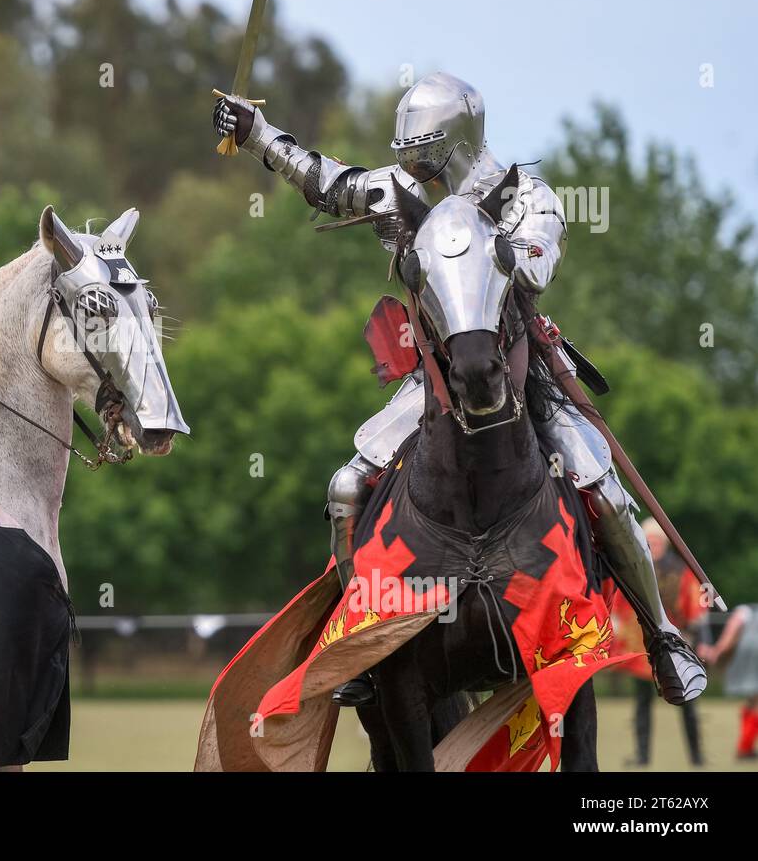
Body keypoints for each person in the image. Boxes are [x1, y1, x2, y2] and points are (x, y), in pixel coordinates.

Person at [213, 73, 706, 705]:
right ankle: (359, 645)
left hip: (517, 373)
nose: (414, 169)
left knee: (603, 491)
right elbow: (330, 184)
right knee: (345, 486)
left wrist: (471, 236)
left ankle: (662, 636)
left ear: (460, 143)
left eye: (426, 155)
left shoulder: (528, 196)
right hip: (433, 380)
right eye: (409, 156)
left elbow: (535, 263)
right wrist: (257, 134)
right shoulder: (400, 191)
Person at [611, 519, 707, 766]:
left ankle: (697, 757)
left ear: (664, 543)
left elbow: (695, 607)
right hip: (642, 649)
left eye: (655, 541)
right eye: (648, 540)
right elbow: (619, 605)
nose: (652, 545)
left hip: (675, 646)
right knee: (642, 705)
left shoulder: (681, 570)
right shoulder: (635, 569)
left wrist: (696, 637)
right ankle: (642, 758)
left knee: (687, 702)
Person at [699, 604, 758, 760]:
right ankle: (745, 747)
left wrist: (717, 651)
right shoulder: (746, 611)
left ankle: (746, 747)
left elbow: (731, 634)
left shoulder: (744, 610)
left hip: (744, 655)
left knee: (752, 701)